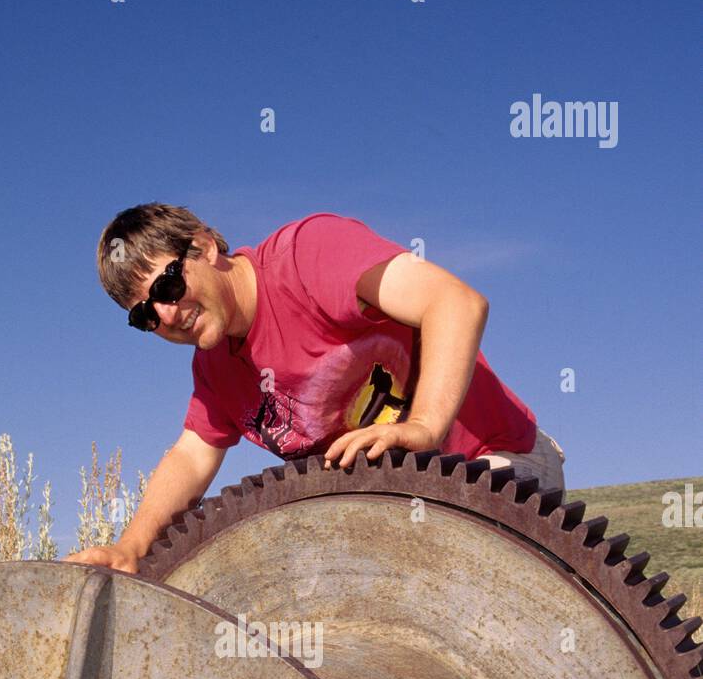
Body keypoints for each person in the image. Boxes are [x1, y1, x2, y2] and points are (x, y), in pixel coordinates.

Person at [66, 204, 565, 573]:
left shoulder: (307, 256)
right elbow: (192, 457)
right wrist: (130, 548)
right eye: (144, 315)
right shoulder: (216, 368)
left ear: (204, 246)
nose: (167, 314)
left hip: (492, 463)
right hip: (394, 510)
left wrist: (424, 426)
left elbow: (455, 302)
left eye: (168, 286)